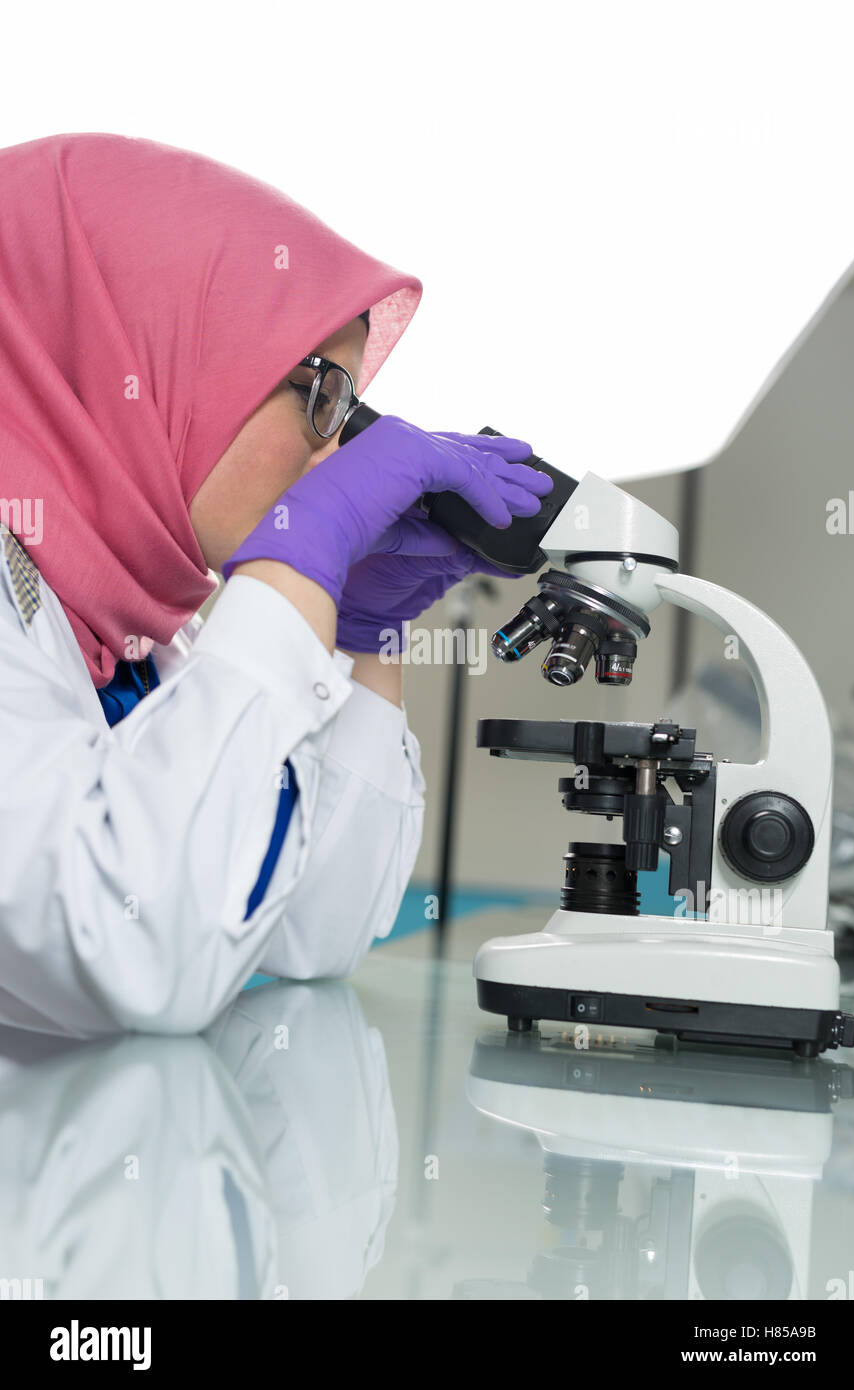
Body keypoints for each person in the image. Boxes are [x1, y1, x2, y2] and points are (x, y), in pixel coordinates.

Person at [0, 132, 553, 1037]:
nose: (334, 450)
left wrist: (358, 632)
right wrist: (301, 554)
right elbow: (137, 960)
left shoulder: (135, 640)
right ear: (139, 346)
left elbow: (303, 937)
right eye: (321, 394)